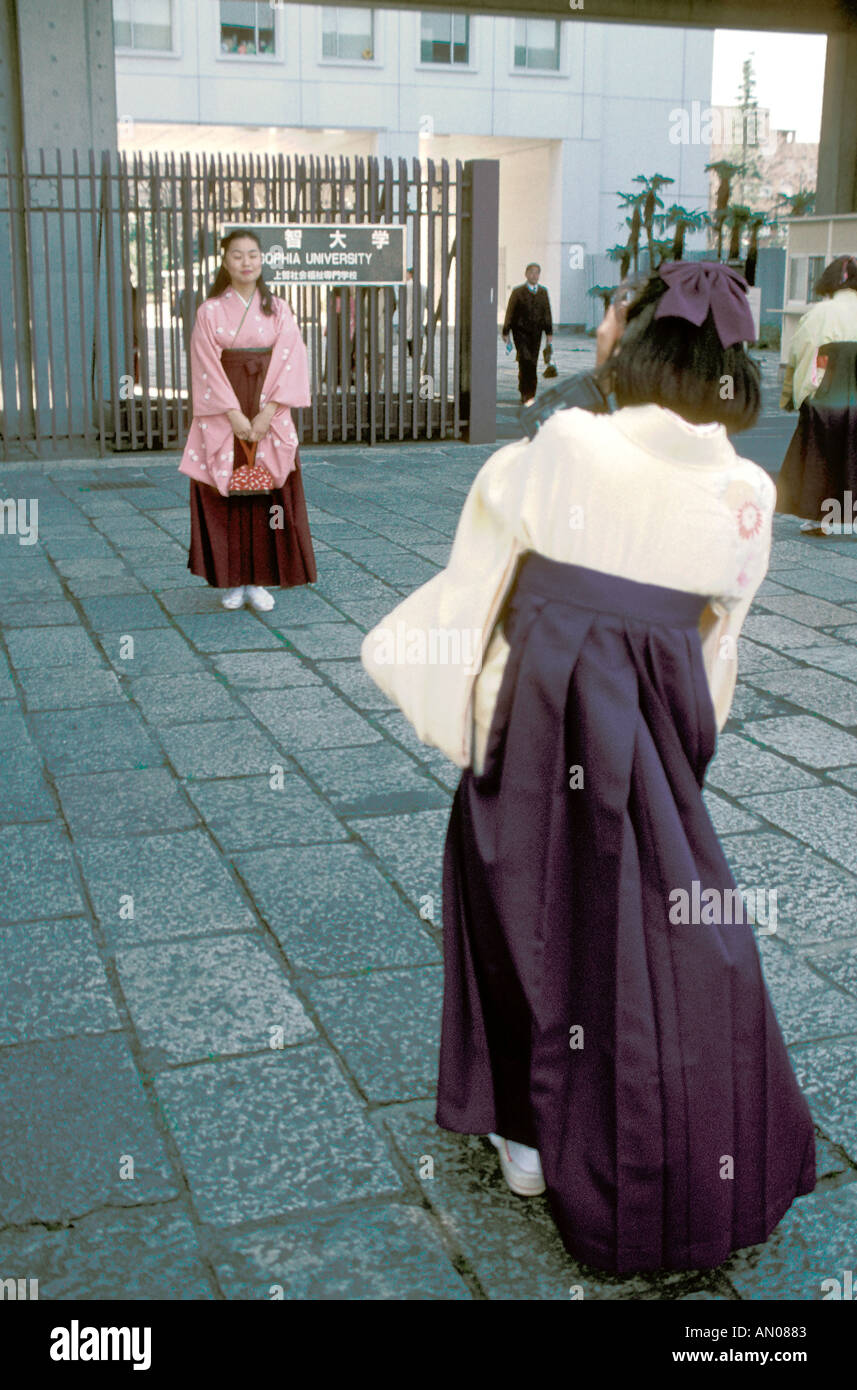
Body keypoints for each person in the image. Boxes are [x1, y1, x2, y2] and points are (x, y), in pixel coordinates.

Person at [361, 260, 815, 1274]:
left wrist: (465, 715)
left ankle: (522, 1134)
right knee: (638, 929)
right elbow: (716, 644)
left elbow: (479, 579)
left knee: (512, 903)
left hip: (535, 718)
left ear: (634, 338)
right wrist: (676, 760)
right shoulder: (746, 489)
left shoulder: (562, 444)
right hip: (649, 734)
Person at [178, 228, 316, 611]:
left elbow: (290, 359)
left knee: (269, 492)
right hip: (225, 406)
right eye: (237, 255)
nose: (246, 262)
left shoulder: (278, 308)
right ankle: (232, 579)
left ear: (261, 260)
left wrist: (267, 414)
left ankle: (261, 579)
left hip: (268, 401)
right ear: (225, 261)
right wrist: (235, 415)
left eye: (253, 254)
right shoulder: (210, 311)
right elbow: (205, 365)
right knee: (227, 492)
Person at [778, 254, 857, 533]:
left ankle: (823, 518)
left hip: (828, 396)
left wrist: (794, 395)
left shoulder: (821, 313)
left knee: (821, 458)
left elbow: (803, 353)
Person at [502, 263, 553, 405]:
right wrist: (506, 331)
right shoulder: (518, 292)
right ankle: (525, 392)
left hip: (536, 333)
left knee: (533, 362)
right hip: (520, 333)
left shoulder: (543, 292)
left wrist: (549, 333)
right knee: (525, 360)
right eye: (532, 272)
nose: (534, 275)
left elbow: (547, 313)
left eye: (537, 273)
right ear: (526, 274)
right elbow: (510, 312)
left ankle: (531, 393)